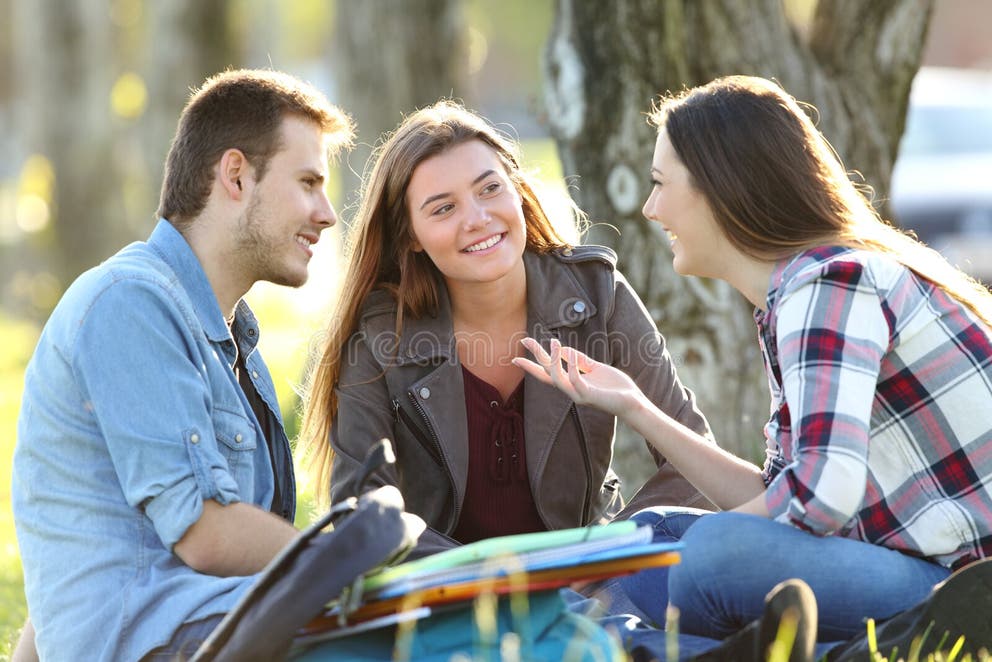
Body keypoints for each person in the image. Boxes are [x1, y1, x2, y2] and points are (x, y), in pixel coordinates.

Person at [515, 75, 992, 660]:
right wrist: (636, 407)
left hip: (960, 586)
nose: (650, 208)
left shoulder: (830, 283)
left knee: (712, 555)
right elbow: (780, 495)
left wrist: (711, 543)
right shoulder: (795, 295)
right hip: (905, 566)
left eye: (662, 184)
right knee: (648, 535)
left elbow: (819, 497)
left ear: (721, 188)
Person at [11, 69, 353, 661]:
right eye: (307, 182)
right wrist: (341, 563)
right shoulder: (128, 303)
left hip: (213, 631)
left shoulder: (232, 340)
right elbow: (205, 531)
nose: (326, 212)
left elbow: (74, 576)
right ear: (237, 176)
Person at [300, 100, 713, 556]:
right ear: (410, 236)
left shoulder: (598, 295)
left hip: (590, 583)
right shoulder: (380, 334)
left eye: (490, 189)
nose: (477, 218)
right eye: (442, 209)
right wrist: (493, 584)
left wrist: (602, 562)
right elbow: (361, 512)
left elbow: (693, 462)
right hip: (446, 596)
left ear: (517, 190)